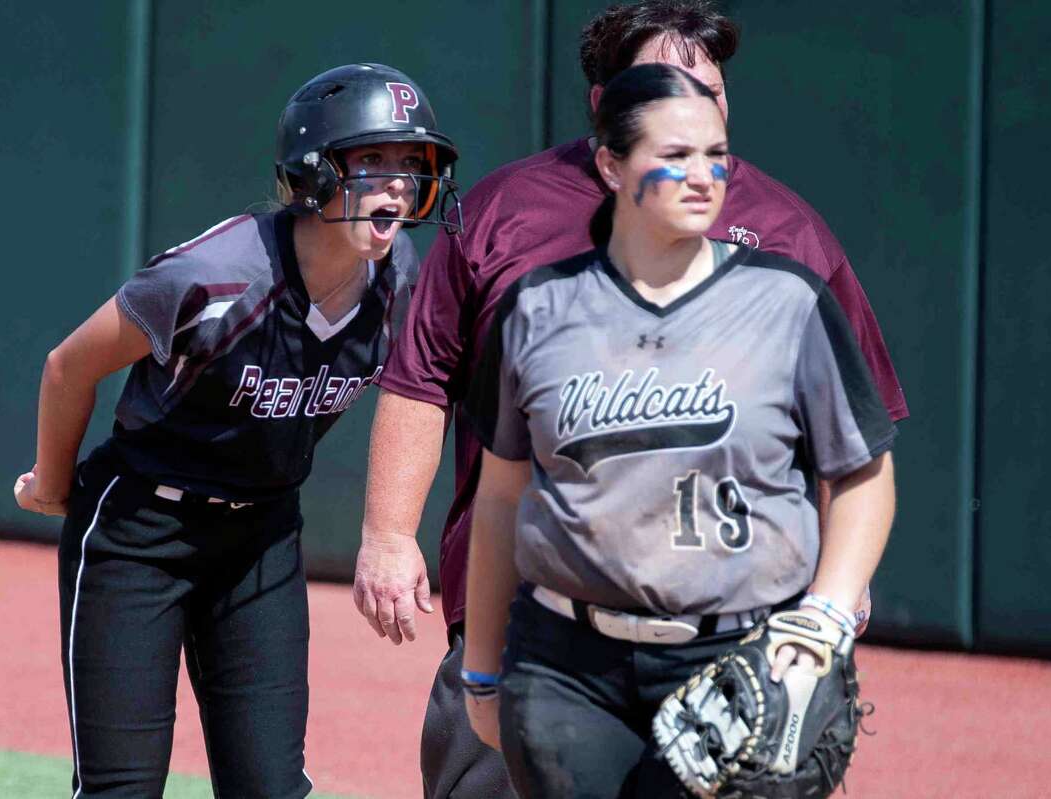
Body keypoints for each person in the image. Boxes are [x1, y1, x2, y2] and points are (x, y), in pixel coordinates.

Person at [352, 3, 907, 797]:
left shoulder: (788, 248)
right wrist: (391, 539)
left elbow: (854, 452)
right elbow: (433, 394)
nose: (695, 111)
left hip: (727, 633)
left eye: (710, 92)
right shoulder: (526, 252)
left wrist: (832, 597)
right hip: (537, 626)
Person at [12, 62, 460, 798]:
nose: (399, 184)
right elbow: (69, 366)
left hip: (260, 537)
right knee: (121, 787)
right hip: (138, 533)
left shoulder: (399, 278)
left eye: (411, 166)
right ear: (315, 172)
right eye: (372, 161)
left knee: (270, 787)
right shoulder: (217, 275)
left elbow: (429, 394)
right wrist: (52, 483)